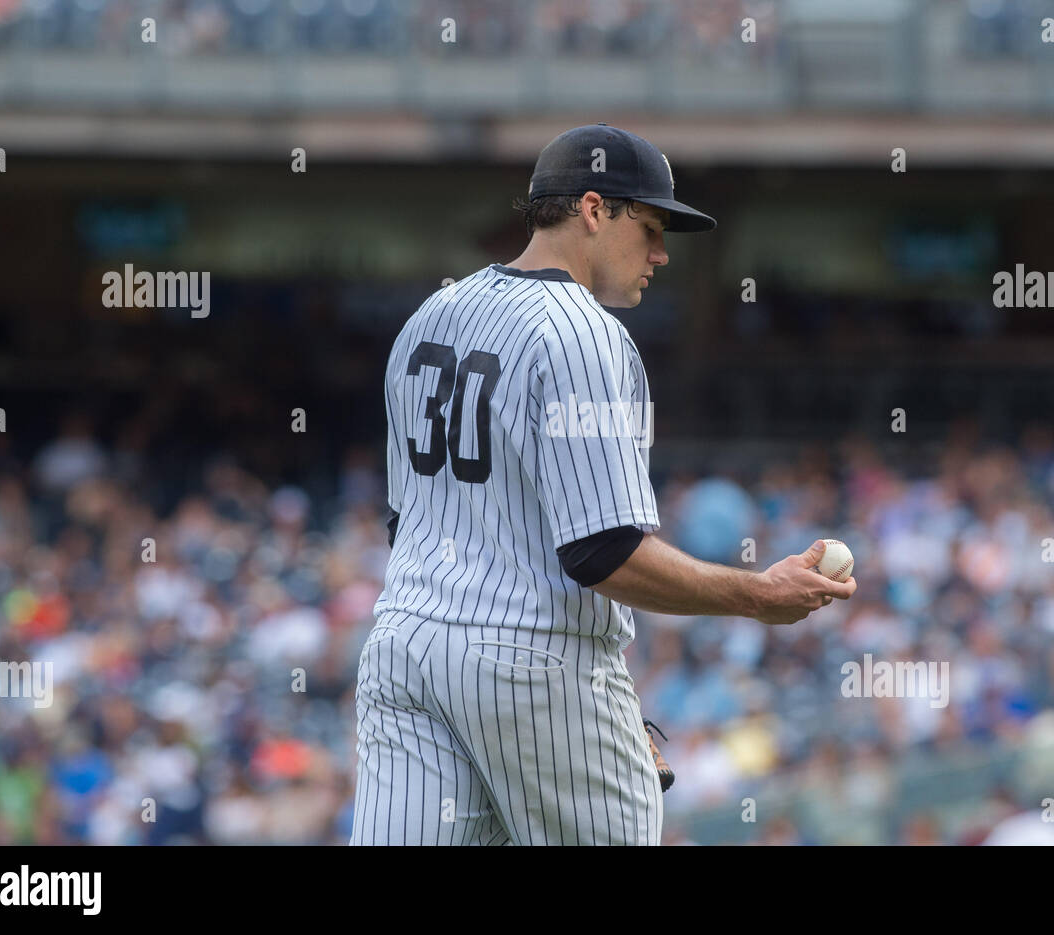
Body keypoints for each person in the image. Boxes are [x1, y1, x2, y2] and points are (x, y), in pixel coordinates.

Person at [350, 123, 856, 846]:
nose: (661, 253)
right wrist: (757, 595)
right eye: (649, 226)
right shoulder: (583, 331)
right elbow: (603, 552)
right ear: (593, 209)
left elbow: (406, 522)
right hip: (534, 667)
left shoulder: (434, 313)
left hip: (404, 649)